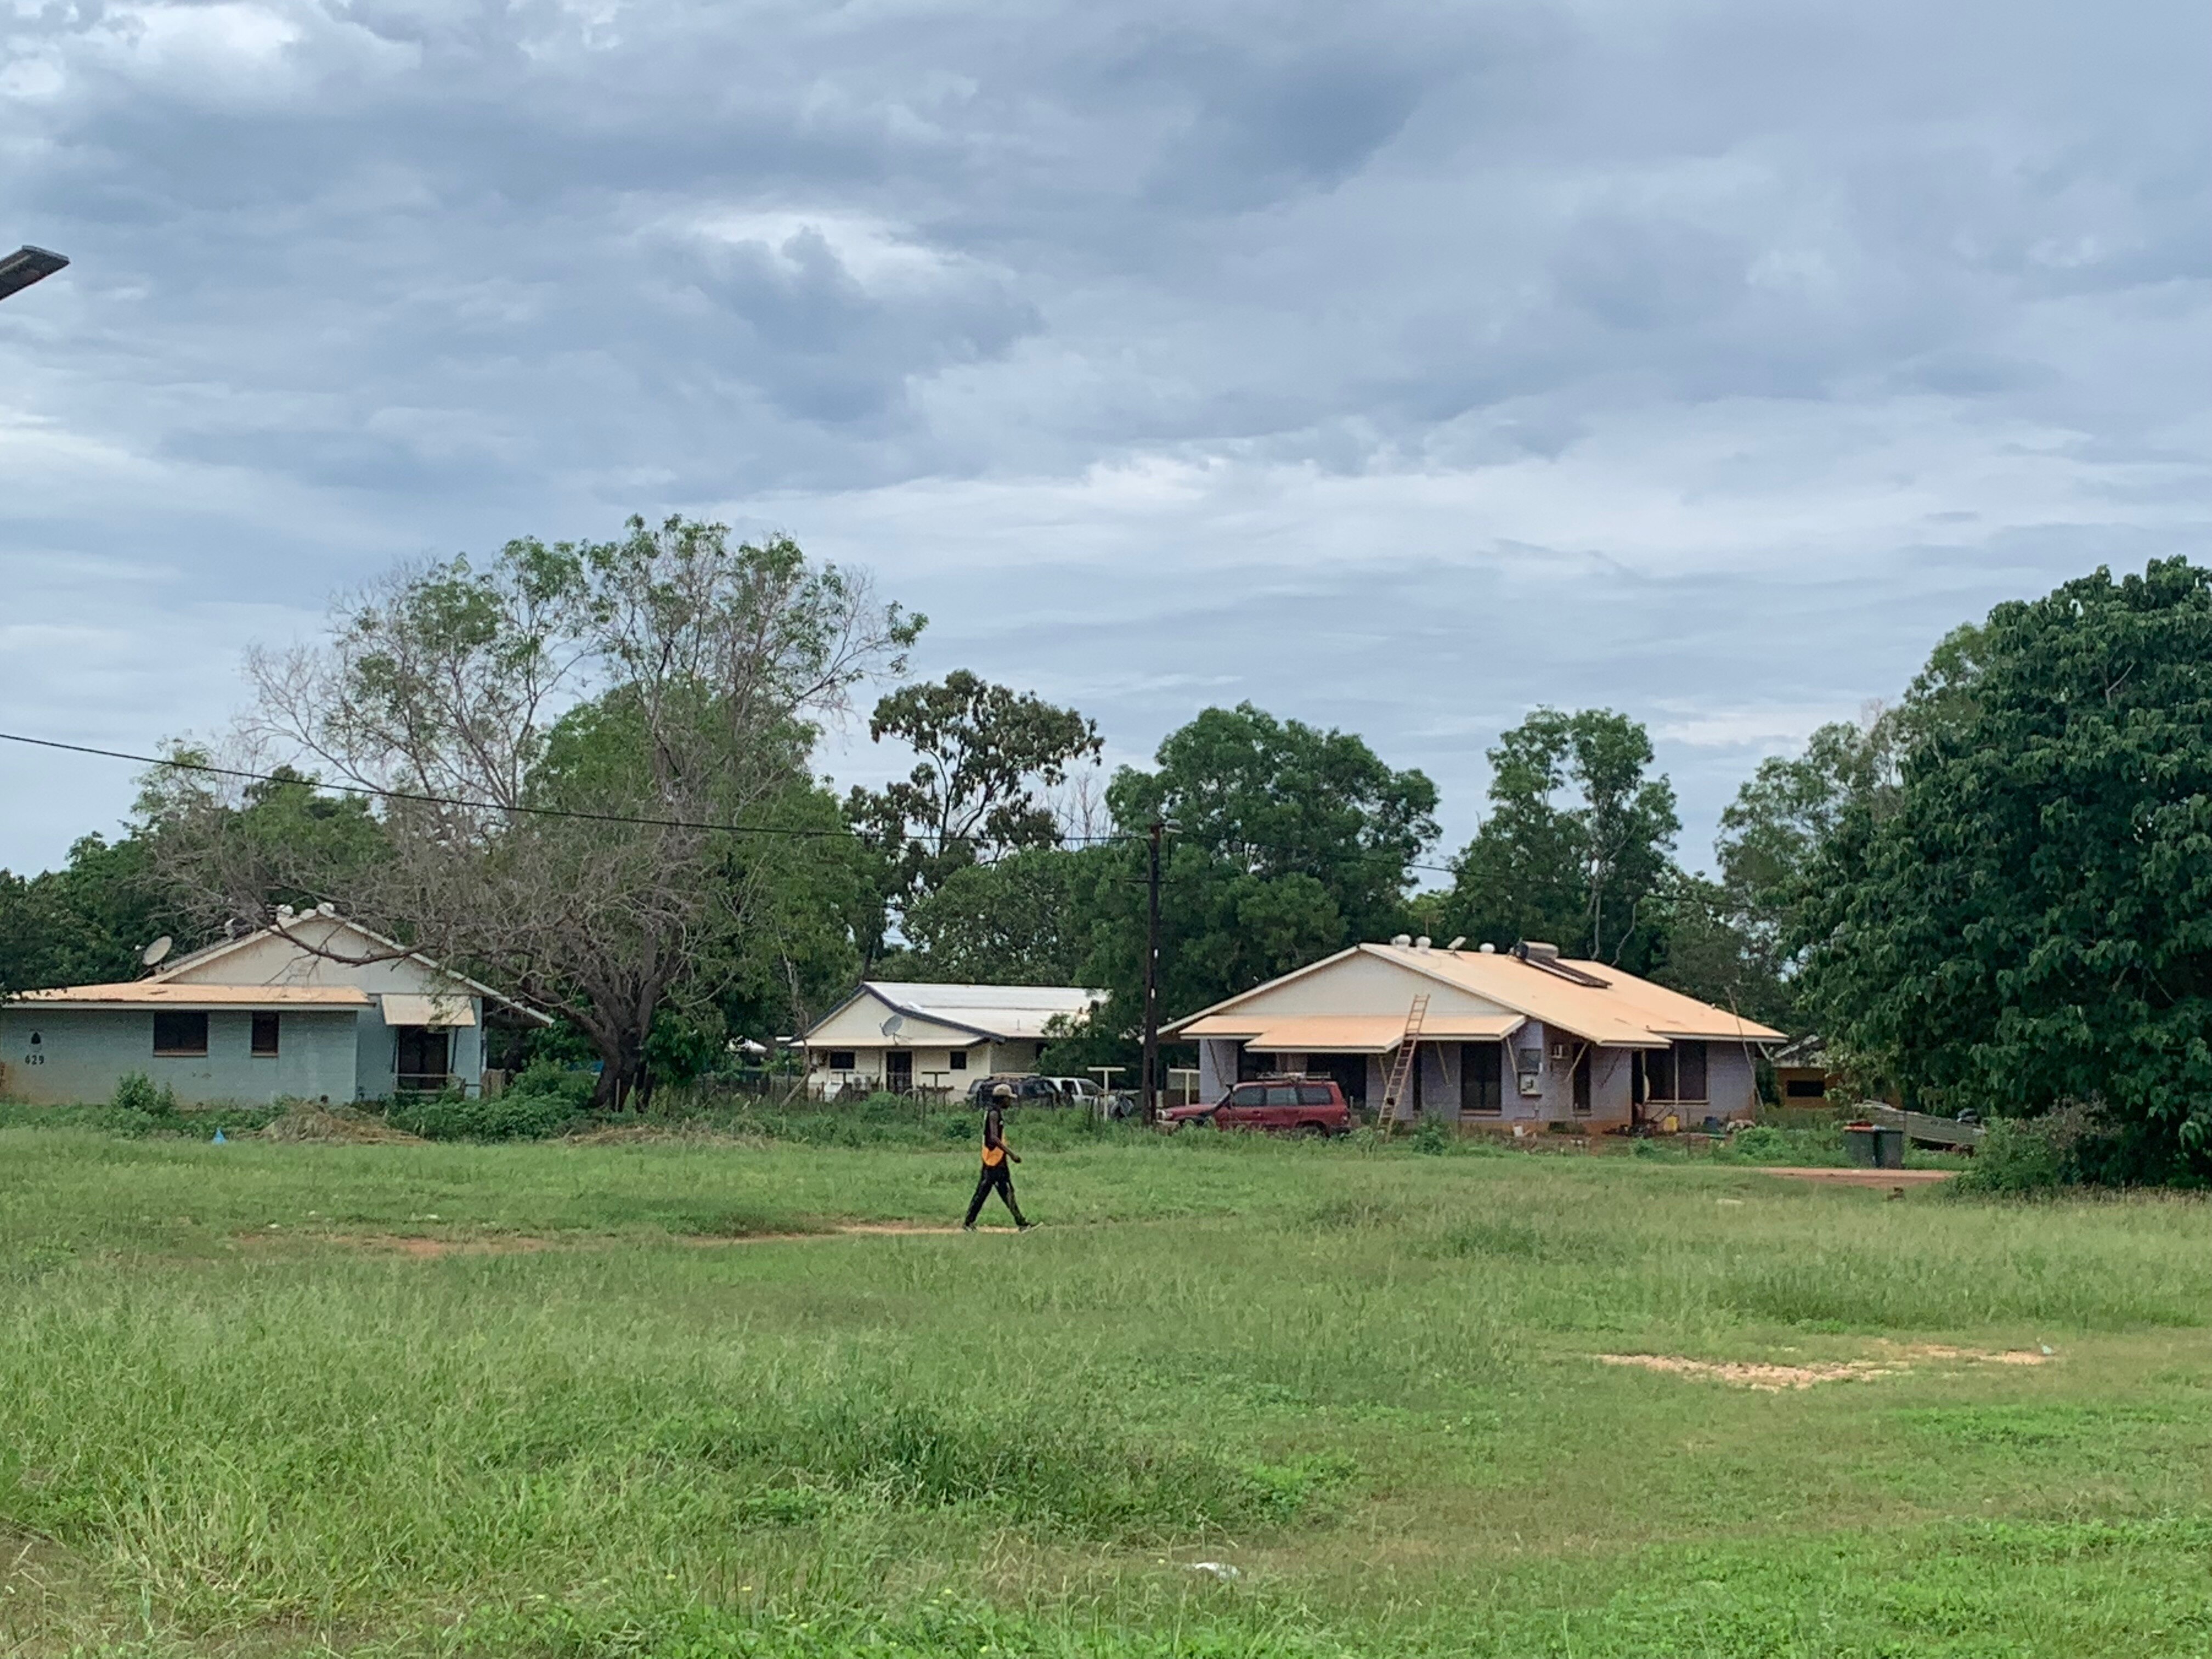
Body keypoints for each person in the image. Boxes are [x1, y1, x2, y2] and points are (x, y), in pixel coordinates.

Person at [963, 1082, 1032, 1231]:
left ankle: (1021, 1223)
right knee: (993, 1192)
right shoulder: (994, 1113)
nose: (1010, 1102)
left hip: (997, 1161)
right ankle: (1021, 1224)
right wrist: (1012, 1154)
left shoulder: (994, 1112)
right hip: (994, 1161)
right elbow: (994, 1138)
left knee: (998, 1192)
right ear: (1002, 1099)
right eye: (1009, 1099)